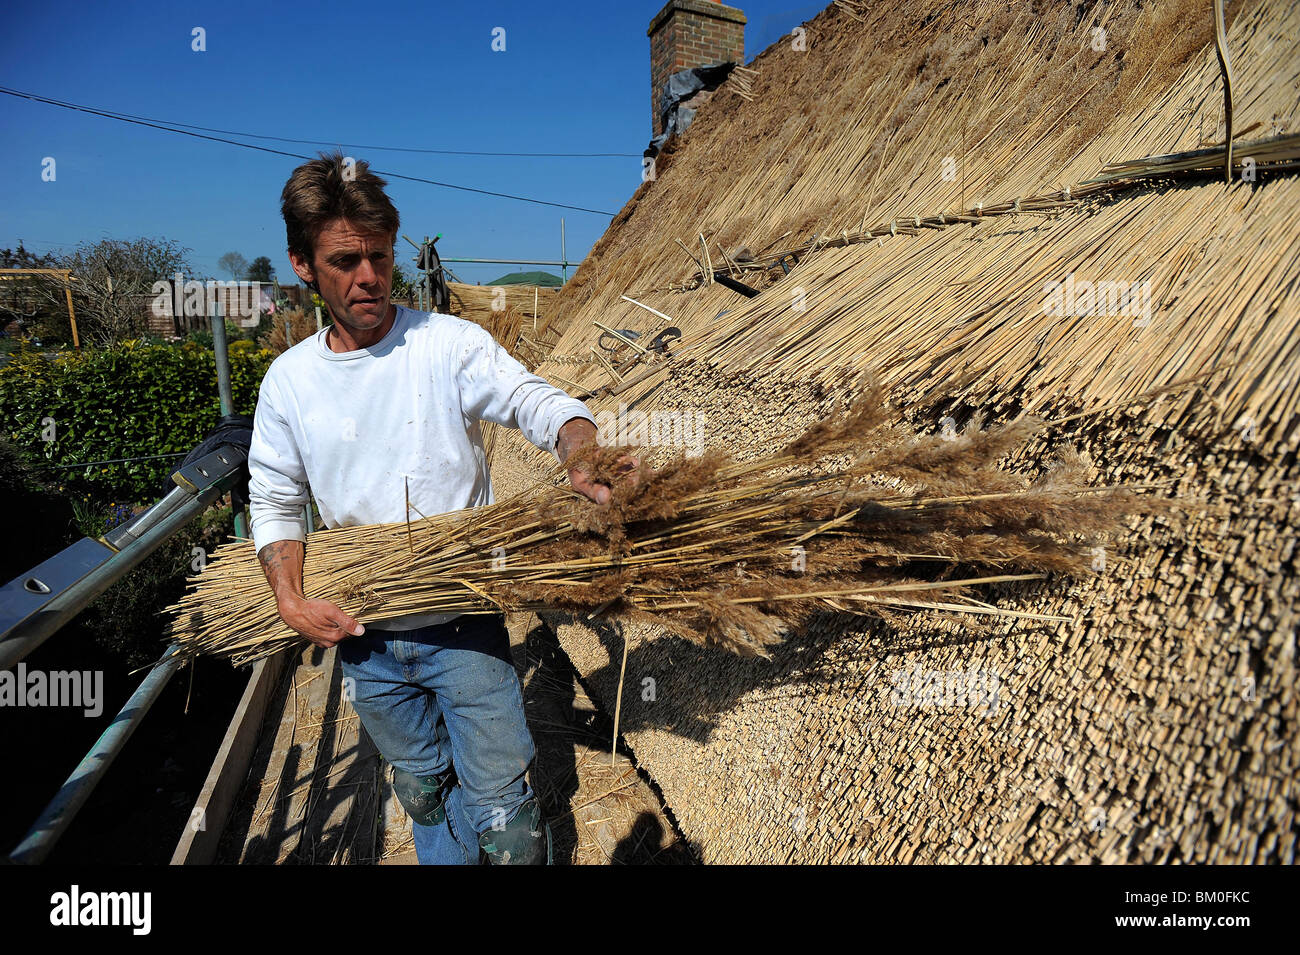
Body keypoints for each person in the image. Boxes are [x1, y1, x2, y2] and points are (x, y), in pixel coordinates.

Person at [246, 152, 622, 865]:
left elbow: (531, 399)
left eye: (380, 257)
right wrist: (290, 598)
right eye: (345, 260)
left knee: (506, 823)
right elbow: (274, 497)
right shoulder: (288, 384)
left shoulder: (445, 345)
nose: (368, 277)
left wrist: (578, 447)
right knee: (424, 796)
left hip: (463, 622)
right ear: (301, 263)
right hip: (365, 633)